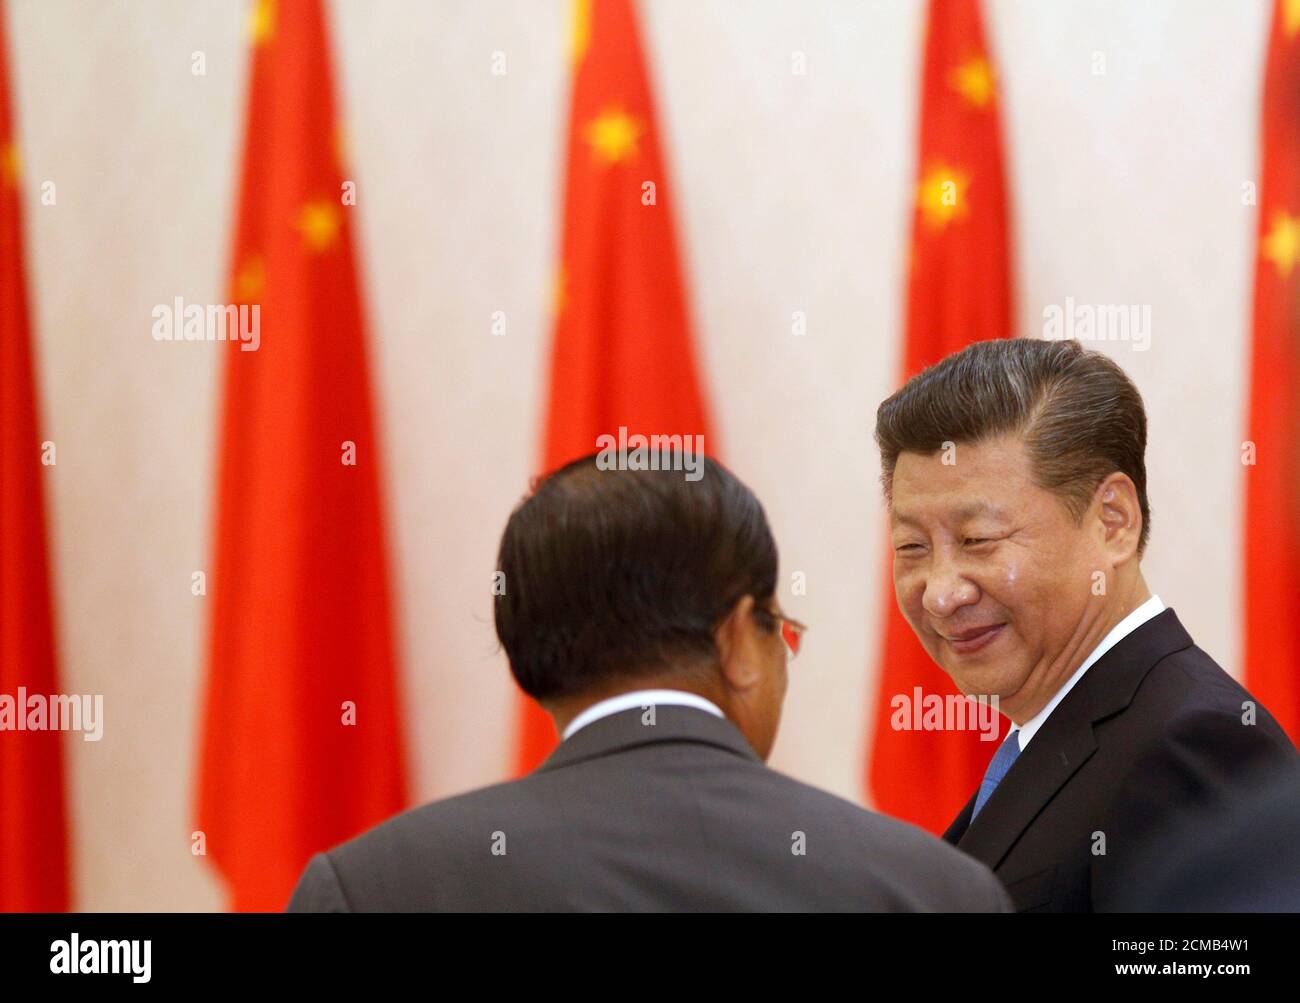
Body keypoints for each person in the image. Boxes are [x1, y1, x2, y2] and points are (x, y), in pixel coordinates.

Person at [288, 452, 1009, 911]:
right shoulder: (928, 889)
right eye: (778, 626)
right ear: (736, 639)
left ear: (530, 655)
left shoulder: (369, 888)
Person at [875, 337, 1297, 911]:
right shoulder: (1055, 734)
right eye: (912, 546)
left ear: (1113, 522)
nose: (942, 593)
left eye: (978, 540)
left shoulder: (1195, 746)